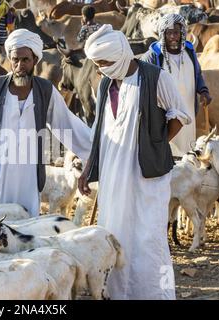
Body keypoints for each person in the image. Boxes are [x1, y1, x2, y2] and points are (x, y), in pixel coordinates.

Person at [78, 25, 191, 299]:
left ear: (119, 57)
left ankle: (156, 294)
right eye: (97, 64)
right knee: (115, 233)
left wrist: (156, 144)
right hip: (113, 174)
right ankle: (119, 294)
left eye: (103, 63)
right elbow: (100, 129)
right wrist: (88, 168)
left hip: (146, 176)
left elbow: (179, 114)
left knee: (148, 238)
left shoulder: (154, 78)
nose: (100, 70)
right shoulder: (106, 83)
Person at [0, 29, 91, 217]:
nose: (20, 65)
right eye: (15, 60)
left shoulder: (45, 91)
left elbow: (67, 125)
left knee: (26, 227)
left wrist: (96, 149)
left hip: (28, 176)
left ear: (35, 60)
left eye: (25, 60)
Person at [141, 14, 212, 158]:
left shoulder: (190, 52)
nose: (173, 36)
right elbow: (145, 86)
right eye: (169, 33)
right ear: (162, 34)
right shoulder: (153, 56)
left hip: (188, 110)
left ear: (182, 33)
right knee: (168, 151)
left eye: (176, 32)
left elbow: (197, 74)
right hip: (166, 115)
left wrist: (203, 91)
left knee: (188, 150)